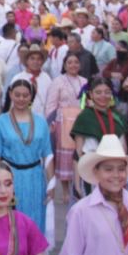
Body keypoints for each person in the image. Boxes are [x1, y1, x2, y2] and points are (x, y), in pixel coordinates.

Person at [0, 79, 53, 238]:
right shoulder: (0, 122)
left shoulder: (40, 121)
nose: (21, 99)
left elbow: (48, 155)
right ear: (10, 94)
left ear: (31, 97)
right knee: (10, 221)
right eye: (17, 95)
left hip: (35, 178)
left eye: (25, 95)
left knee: (35, 219)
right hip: (10, 178)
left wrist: (51, 184)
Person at [45, 51, 86, 201]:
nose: (73, 65)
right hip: (63, 122)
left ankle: (79, 186)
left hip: (81, 122)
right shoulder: (58, 81)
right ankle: (66, 191)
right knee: (65, 157)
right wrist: (51, 122)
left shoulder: (84, 81)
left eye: (76, 62)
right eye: (70, 62)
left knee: (80, 154)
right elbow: (51, 104)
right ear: (64, 65)